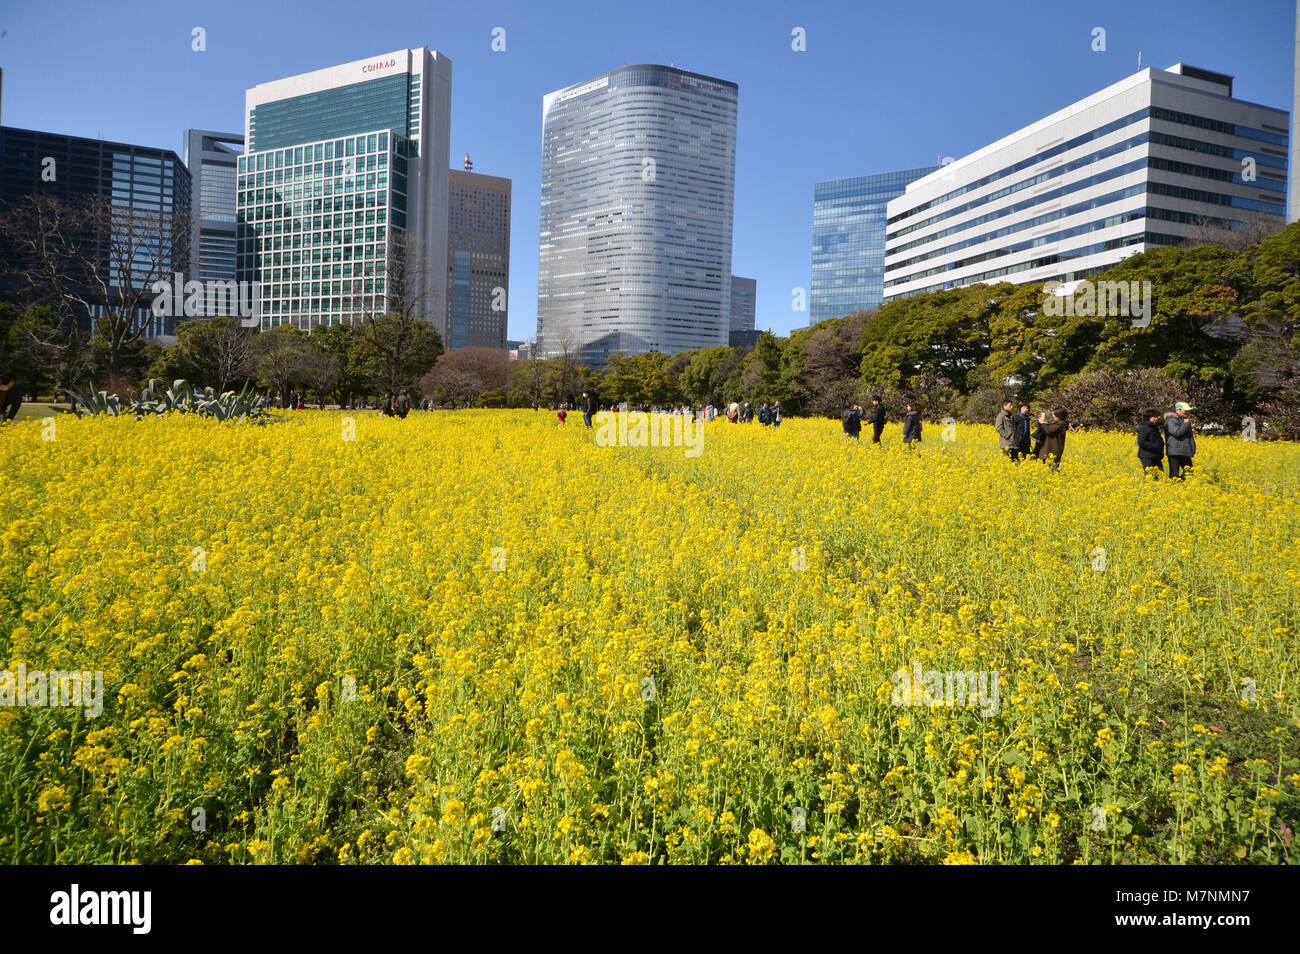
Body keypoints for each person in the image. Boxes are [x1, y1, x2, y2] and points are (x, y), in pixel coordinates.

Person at [1164, 402, 1196, 479]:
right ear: (1177, 410)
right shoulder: (1171, 420)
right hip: (1175, 451)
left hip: (1184, 451)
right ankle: (1173, 488)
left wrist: (1192, 449)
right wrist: (1185, 424)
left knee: (1189, 473)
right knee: (1174, 473)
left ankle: (1181, 487)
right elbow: (1177, 433)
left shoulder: (1184, 420)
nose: (1187, 412)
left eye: (1188, 410)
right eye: (1185, 410)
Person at [1137, 409, 1165, 476]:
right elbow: (1141, 442)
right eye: (1154, 417)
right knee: (1150, 476)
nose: (1156, 419)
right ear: (1148, 418)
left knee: (1160, 475)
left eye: (1157, 417)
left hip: (1155, 455)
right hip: (1147, 456)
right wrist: (1156, 446)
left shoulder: (1154, 427)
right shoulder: (1144, 428)